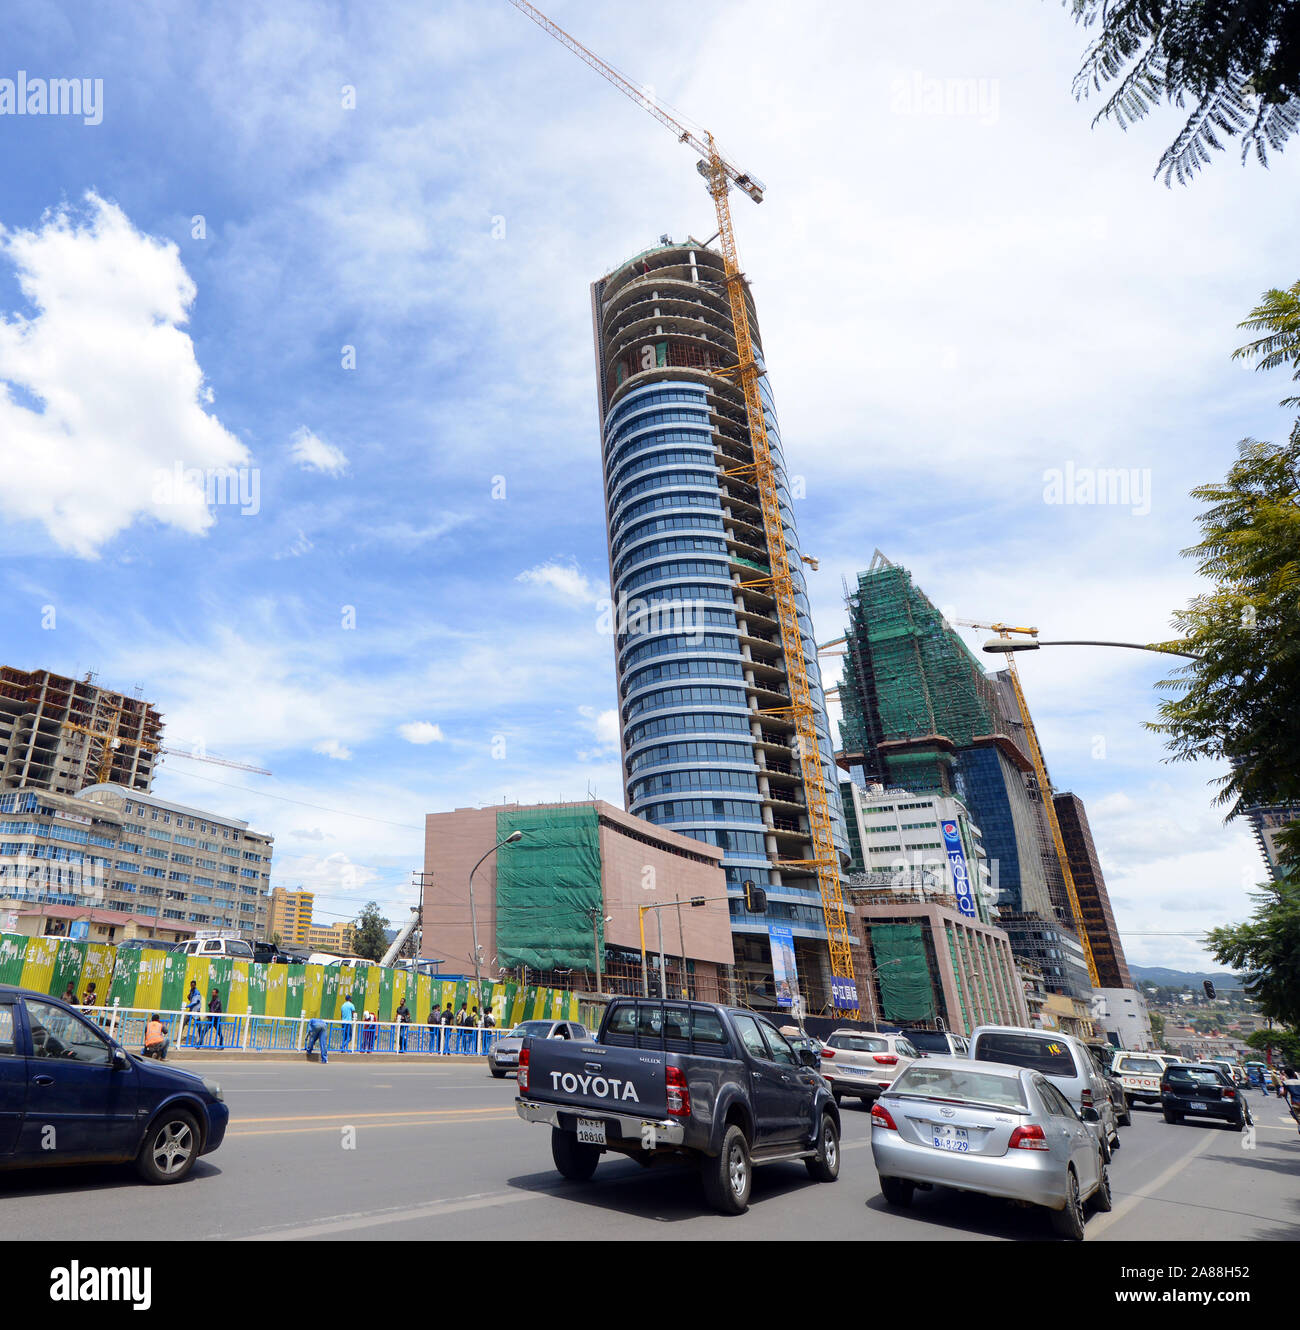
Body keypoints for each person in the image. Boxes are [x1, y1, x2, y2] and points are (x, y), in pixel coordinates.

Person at [184, 980, 202, 1045]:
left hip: (196, 1010)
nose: (192, 986)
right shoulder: (191, 991)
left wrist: (187, 1006)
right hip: (191, 1010)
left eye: (193, 985)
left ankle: (201, 1039)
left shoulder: (197, 993)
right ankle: (179, 1037)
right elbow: (190, 998)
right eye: (191, 985)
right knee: (184, 1022)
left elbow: (195, 1002)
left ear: (195, 985)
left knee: (198, 1025)